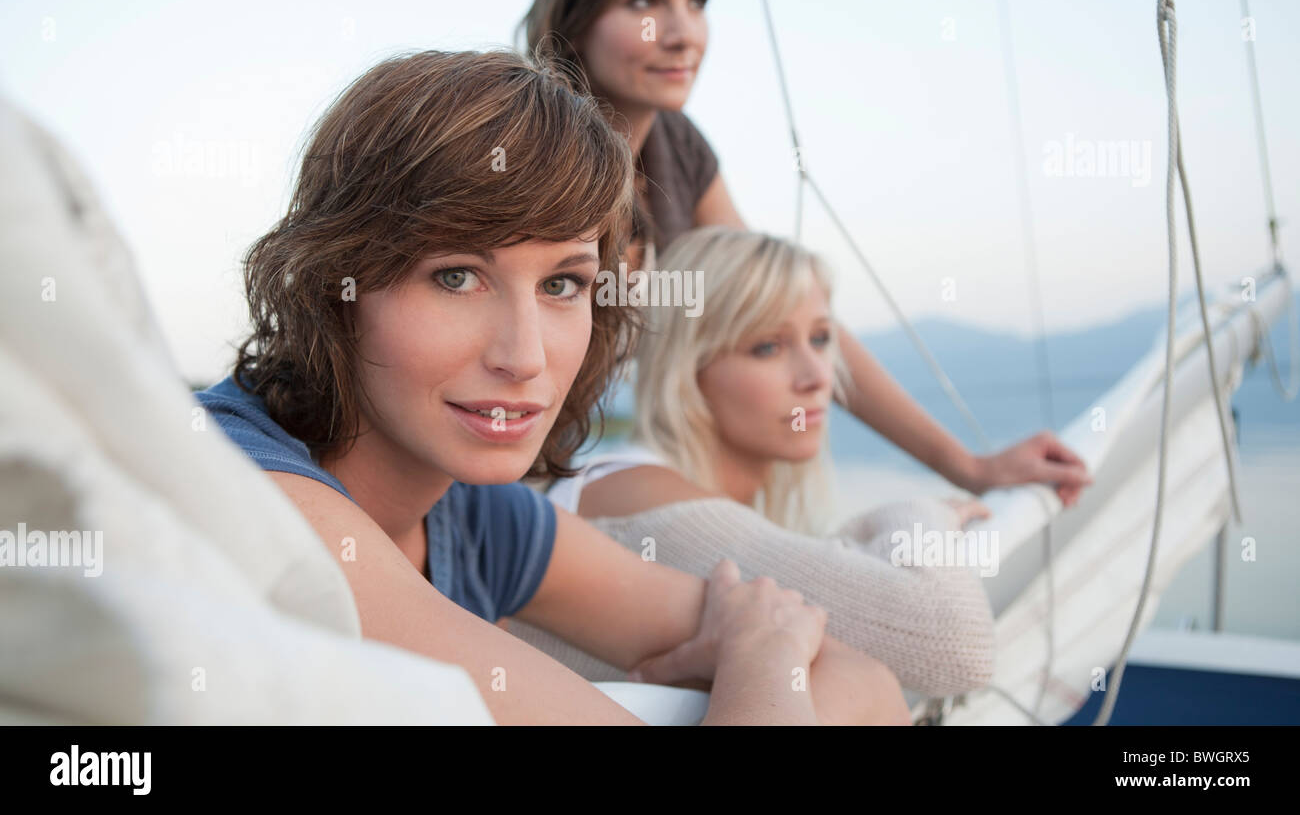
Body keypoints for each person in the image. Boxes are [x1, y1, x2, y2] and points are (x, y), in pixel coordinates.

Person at [194, 48, 911, 725]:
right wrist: (765, 663)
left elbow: (870, 684)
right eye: (456, 276)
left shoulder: (475, 517)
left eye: (563, 283)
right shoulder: (252, 499)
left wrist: (762, 666)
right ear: (335, 285)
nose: (525, 356)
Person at [520, 0, 1093, 506]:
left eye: (699, 0)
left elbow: (788, 313)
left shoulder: (679, 152)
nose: (685, 33)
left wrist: (967, 467)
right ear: (575, 14)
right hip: (481, 496)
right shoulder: (531, 161)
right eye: (645, 1)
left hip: (541, 494)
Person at [506, 227, 998, 697]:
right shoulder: (647, 500)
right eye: (768, 347)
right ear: (689, 368)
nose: (815, 376)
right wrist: (924, 515)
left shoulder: (655, 485)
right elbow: (955, 643)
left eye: (821, 339)